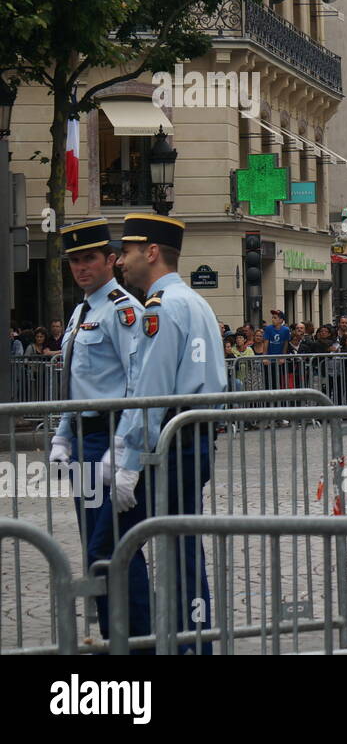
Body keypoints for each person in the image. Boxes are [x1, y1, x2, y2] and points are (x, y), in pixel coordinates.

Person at [119, 213, 227, 654]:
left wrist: (127, 463)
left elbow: (151, 391)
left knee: (123, 538)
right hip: (194, 435)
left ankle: (158, 640)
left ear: (151, 252)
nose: (120, 261)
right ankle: (190, 639)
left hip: (172, 441)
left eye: (126, 252)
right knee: (182, 545)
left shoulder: (161, 307)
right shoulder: (195, 302)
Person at [46, 219, 150, 647]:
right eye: (74, 260)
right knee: (97, 548)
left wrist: (124, 451)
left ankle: (138, 638)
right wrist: (62, 434)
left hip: (110, 438)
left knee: (115, 549)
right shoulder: (82, 310)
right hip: (85, 441)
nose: (81, 267)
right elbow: (76, 381)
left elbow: (138, 381)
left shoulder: (124, 310)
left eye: (89, 257)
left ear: (110, 260)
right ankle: (115, 636)